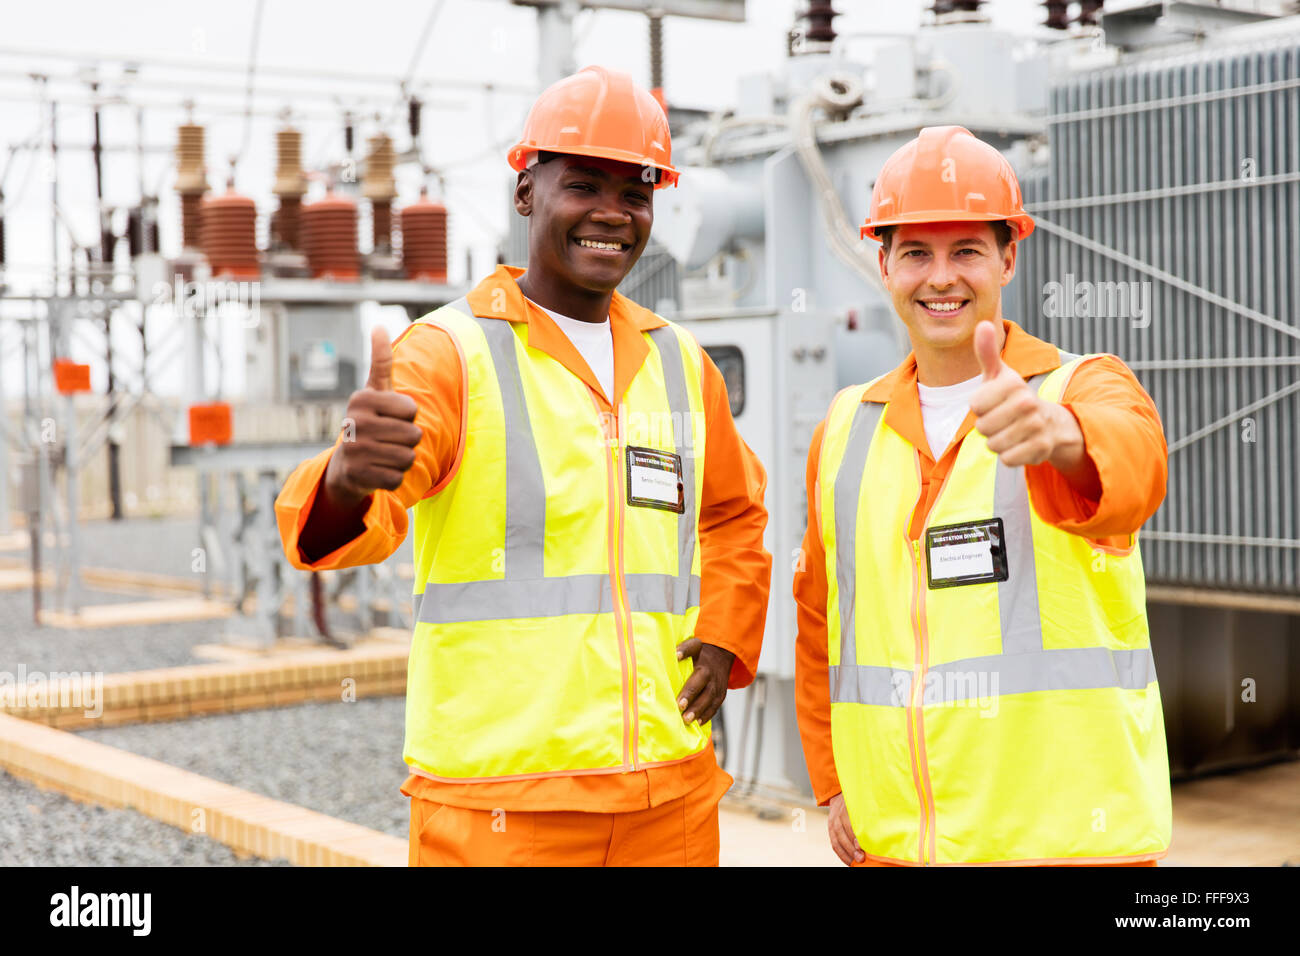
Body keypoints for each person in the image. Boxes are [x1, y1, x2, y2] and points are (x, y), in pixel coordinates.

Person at [275, 65, 771, 867]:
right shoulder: (447, 355)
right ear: (526, 192)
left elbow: (732, 515)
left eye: (636, 194)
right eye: (583, 186)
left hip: (668, 799)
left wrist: (724, 635)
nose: (612, 215)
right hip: (503, 808)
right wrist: (345, 477)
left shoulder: (679, 362)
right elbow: (348, 522)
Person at [794, 125, 1172, 866]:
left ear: (1008, 257)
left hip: (1064, 847)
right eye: (916, 254)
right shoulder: (845, 427)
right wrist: (835, 782)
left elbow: (1137, 467)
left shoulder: (1080, 386)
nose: (941, 278)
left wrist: (1060, 436)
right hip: (900, 846)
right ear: (883, 264)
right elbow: (823, 623)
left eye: (966, 250)